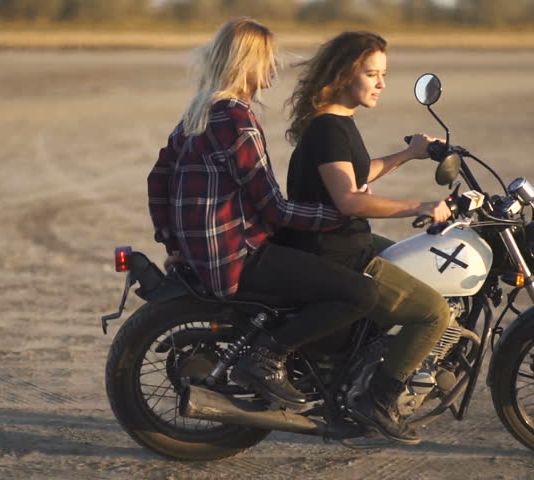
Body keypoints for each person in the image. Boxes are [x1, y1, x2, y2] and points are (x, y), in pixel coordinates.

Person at [147, 19, 379, 410]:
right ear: (247, 64)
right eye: (268, 60)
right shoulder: (237, 121)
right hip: (239, 257)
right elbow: (275, 207)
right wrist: (338, 215)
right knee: (362, 292)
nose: (274, 68)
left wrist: (173, 244)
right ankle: (267, 357)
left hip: (212, 254)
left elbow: (158, 179)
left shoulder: (197, 113)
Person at [280, 31, 452, 443]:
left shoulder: (336, 123)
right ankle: (377, 401)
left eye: (384, 74)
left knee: (409, 260)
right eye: (372, 74)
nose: (381, 83)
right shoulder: (329, 129)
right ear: (344, 74)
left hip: (342, 242)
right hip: (335, 251)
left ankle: (360, 361)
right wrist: (421, 206)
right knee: (433, 313)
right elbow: (350, 201)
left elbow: (354, 175)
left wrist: (409, 155)